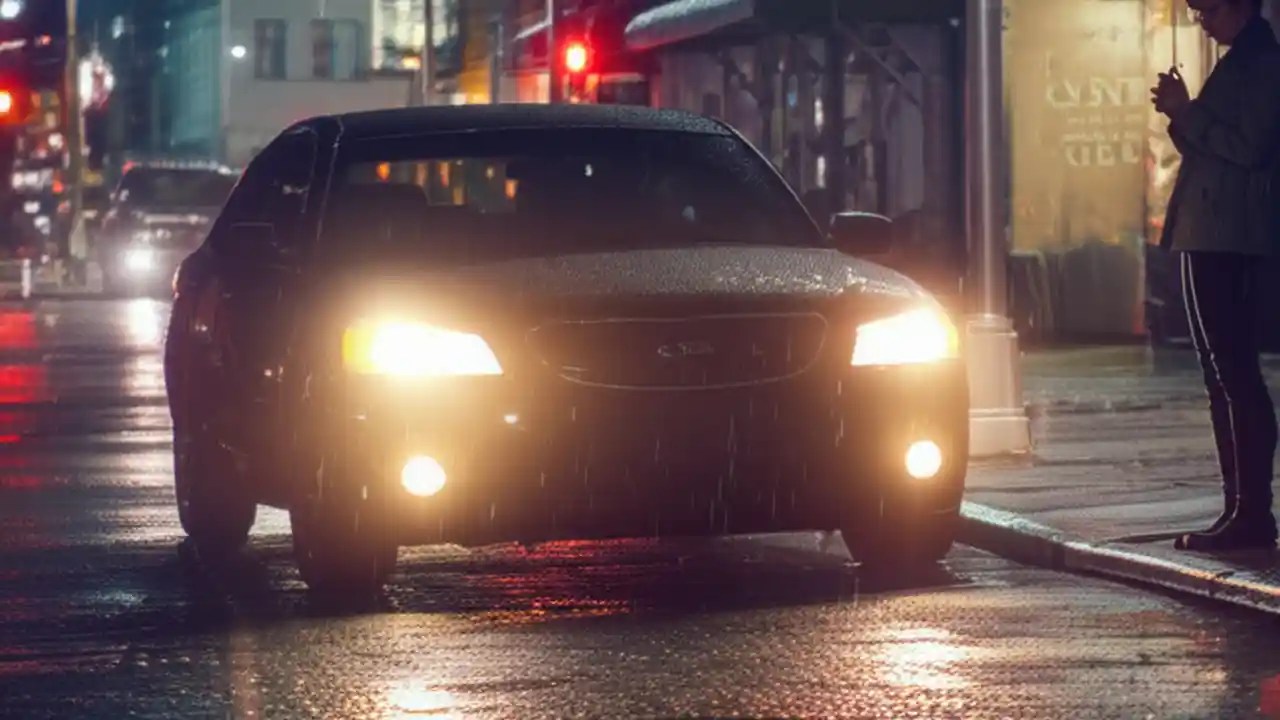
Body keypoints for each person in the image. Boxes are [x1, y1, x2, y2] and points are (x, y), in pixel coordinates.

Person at [1152, 0, 1280, 551]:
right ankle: (1240, 508)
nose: (1199, 18)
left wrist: (1187, 111)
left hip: (1229, 235)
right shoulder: (1239, 60)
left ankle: (1251, 513)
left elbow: (1247, 147)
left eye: (1206, 8)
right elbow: (1209, 145)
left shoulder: (1262, 63)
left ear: (1239, 6)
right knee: (1221, 374)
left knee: (1234, 373)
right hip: (1210, 231)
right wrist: (1180, 113)